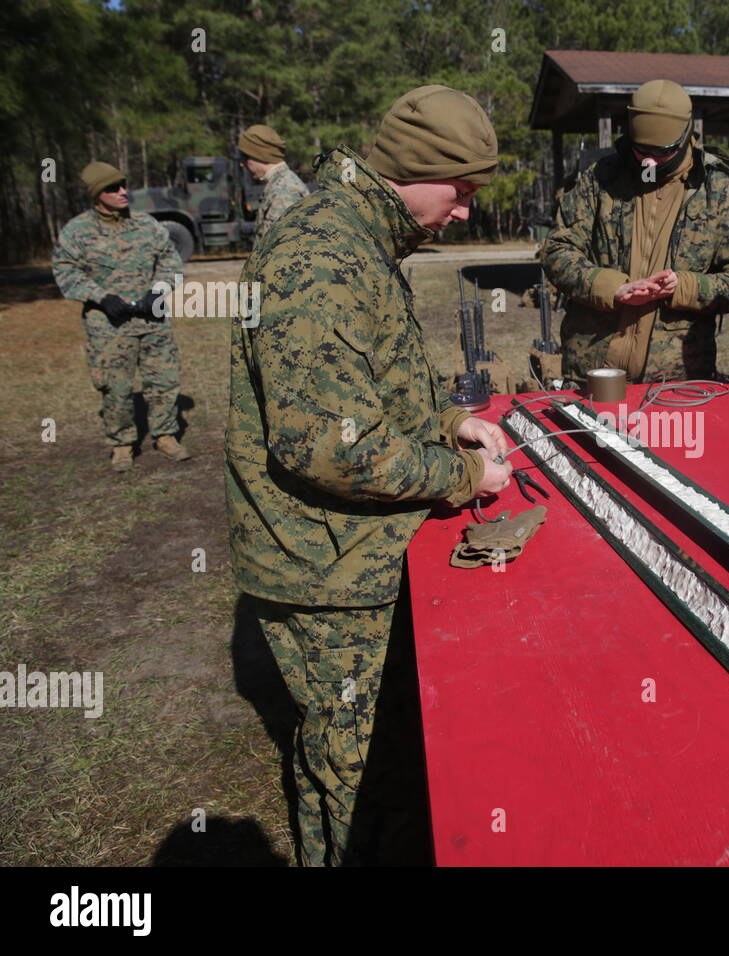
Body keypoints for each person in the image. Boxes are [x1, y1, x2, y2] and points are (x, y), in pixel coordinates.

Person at [226, 85, 513, 866]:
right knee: (359, 776)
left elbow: (372, 381)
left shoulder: (358, 237)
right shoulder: (322, 256)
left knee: (362, 756)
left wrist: (451, 420)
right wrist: (460, 475)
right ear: (418, 171)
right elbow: (328, 445)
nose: (462, 212)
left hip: (345, 553)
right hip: (325, 568)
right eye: (461, 192)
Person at [542, 79, 729, 384]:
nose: (648, 162)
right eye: (640, 150)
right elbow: (557, 250)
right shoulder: (600, 178)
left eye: (660, 153)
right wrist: (610, 286)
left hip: (677, 381)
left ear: (685, 136)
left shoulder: (716, 191)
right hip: (593, 371)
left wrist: (683, 287)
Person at [53, 161, 190, 471]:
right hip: (109, 326)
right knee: (116, 388)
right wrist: (102, 298)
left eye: (124, 185)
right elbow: (65, 272)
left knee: (164, 381)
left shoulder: (146, 225)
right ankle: (122, 444)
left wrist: (158, 289)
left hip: (152, 319)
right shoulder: (77, 231)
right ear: (97, 193)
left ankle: (166, 436)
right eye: (113, 188)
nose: (123, 192)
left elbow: (171, 261)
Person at [238, 124, 309, 241]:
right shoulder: (280, 184)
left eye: (244, 157)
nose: (242, 164)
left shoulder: (284, 191)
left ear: (258, 156)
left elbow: (282, 249)